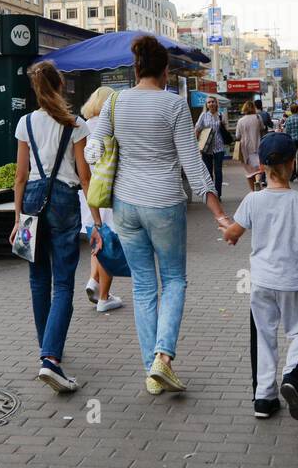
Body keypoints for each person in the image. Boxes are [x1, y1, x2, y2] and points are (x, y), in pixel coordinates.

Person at [85, 35, 229, 395]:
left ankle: (152, 370)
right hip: (164, 203)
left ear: (136, 68)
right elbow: (192, 164)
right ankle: (163, 359)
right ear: (165, 70)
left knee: (144, 286)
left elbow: (92, 151)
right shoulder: (174, 106)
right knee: (174, 280)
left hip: (125, 206)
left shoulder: (116, 101)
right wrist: (219, 213)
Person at [219, 132, 298, 421]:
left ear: (262, 166)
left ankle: (264, 398)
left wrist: (226, 228)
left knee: (263, 336)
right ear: (292, 163)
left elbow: (233, 234)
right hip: (293, 282)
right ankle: (293, 380)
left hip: (260, 282)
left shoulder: (252, 200)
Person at [13, 61, 102, 393]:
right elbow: (85, 175)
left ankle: (46, 352)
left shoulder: (25, 123)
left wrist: (17, 218)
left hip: (33, 200)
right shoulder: (75, 124)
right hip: (64, 199)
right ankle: (51, 359)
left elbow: (20, 177)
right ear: (61, 85)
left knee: (38, 280)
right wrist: (96, 219)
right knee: (63, 284)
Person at [80, 86, 122, 314]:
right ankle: (104, 296)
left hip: (88, 195)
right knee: (110, 246)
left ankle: (93, 283)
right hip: (108, 193)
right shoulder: (112, 129)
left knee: (97, 245)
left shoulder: (84, 127)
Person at [194, 95, 228, 198]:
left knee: (218, 171)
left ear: (216, 103)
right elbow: (197, 129)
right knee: (208, 172)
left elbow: (224, 129)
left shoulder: (221, 115)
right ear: (206, 105)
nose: (211, 104)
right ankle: (211, 194)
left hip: (219, 147)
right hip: (206, 147)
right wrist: (197, 145)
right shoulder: (203, 115)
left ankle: (218, 195)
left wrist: (223, 124)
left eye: (213, 102)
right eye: (209, 102)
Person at [235, 101, 264, 192]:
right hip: (258, 146)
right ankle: (258, 181)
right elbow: (262, 129)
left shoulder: (240, 121)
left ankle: (253, 191)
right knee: (259, 169)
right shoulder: (258, 118)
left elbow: (237, 136)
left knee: (249, 172)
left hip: (245, 150)